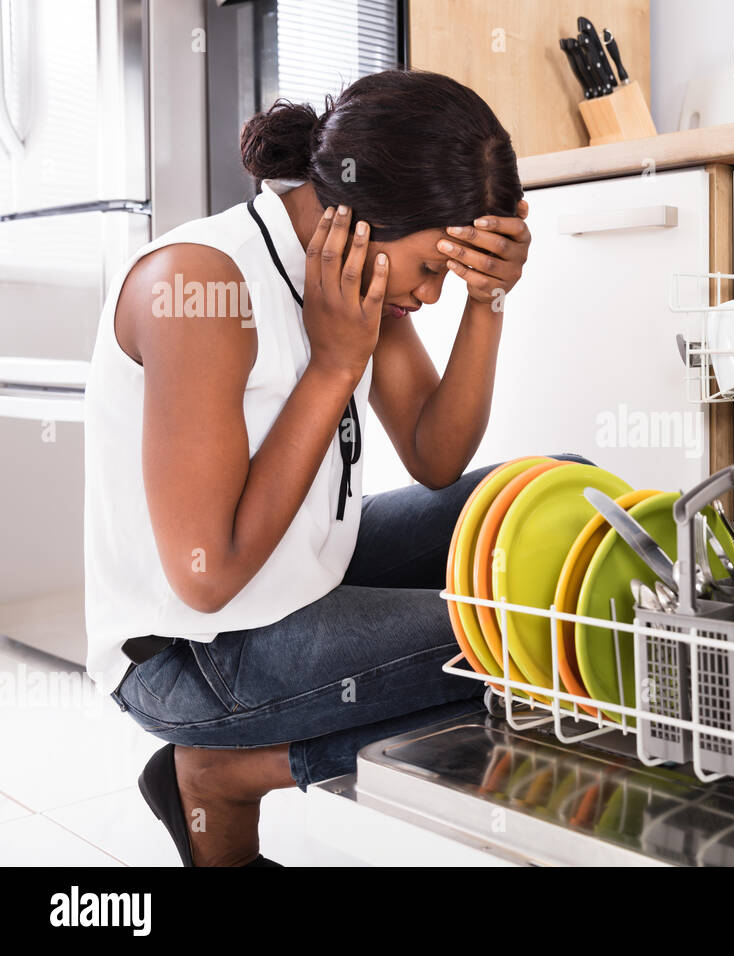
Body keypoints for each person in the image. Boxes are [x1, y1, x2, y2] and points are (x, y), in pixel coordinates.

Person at [83, 69, 583, 866]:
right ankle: (222, 772)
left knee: (568, 498)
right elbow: (208, 580)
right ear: (360, 214)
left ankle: (224, 772)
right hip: (193, 653)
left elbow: (435, 455)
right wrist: (332, 366)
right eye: (432, 270)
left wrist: (490, 300)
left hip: (308, 571)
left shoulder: (346, 258)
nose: (429, 297)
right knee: (533, 630)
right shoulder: (198, 287)